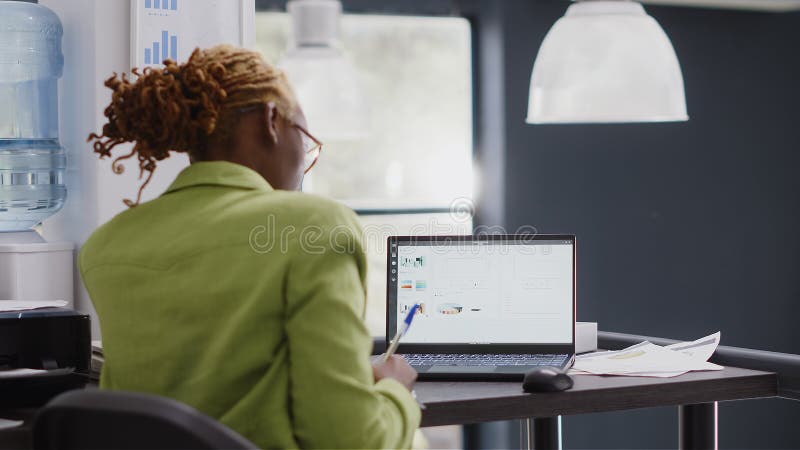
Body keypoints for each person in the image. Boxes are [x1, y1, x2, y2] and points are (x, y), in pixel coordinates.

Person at [80, 44, 420, 449]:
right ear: (272, 121)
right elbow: (351, 442)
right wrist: (397, 392)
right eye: (307, 139)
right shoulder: (313, 227)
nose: (304, 159)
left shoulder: (106, 246)